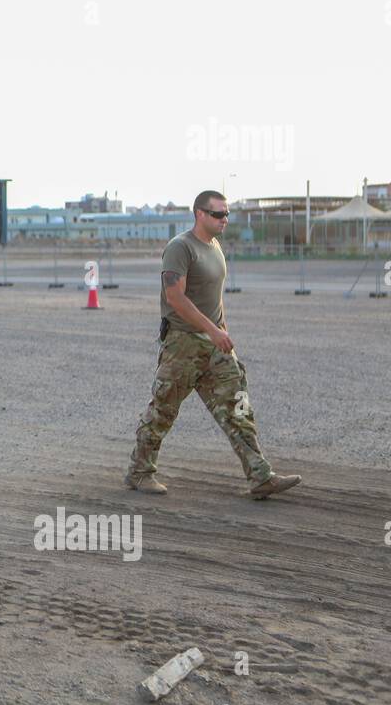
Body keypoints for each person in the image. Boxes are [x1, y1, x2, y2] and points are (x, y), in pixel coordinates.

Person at [125, 189, 302, 500]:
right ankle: (139, 471)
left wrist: (223, 334)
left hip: (214, 344)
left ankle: (260, 475)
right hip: (182, 345)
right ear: (199, 214)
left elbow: (214, 299)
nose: (225, 219)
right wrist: (212, 331)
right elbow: (175, 298)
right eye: (218, 214)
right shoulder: (180, 248)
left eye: (227, 214)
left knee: (239, 407)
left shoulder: (216, 247)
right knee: (163, 409)